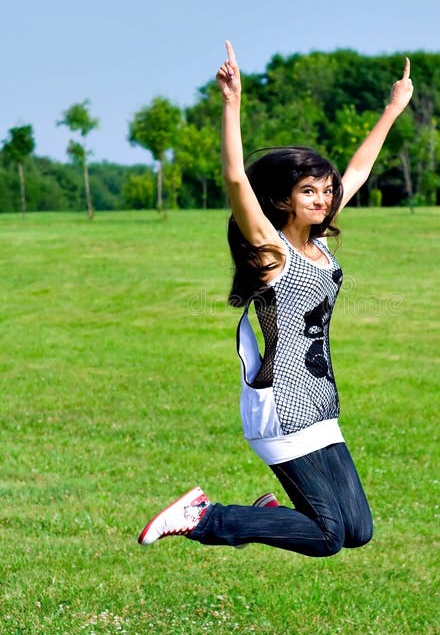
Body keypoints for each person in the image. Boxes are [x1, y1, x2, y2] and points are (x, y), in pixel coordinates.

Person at [138, 41, 414, 556]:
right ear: (285, 198)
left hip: (320, 402)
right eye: (310, 191)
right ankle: (206, 516)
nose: (324, 198)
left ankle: (266, 518)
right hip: (281, 407)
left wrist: (393, 108)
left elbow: (356, 171)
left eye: (326, 192)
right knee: (329, 538)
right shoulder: (273, 251)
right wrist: (231, 104)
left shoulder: (319, 244)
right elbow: (236, 178)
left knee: (358, 531)